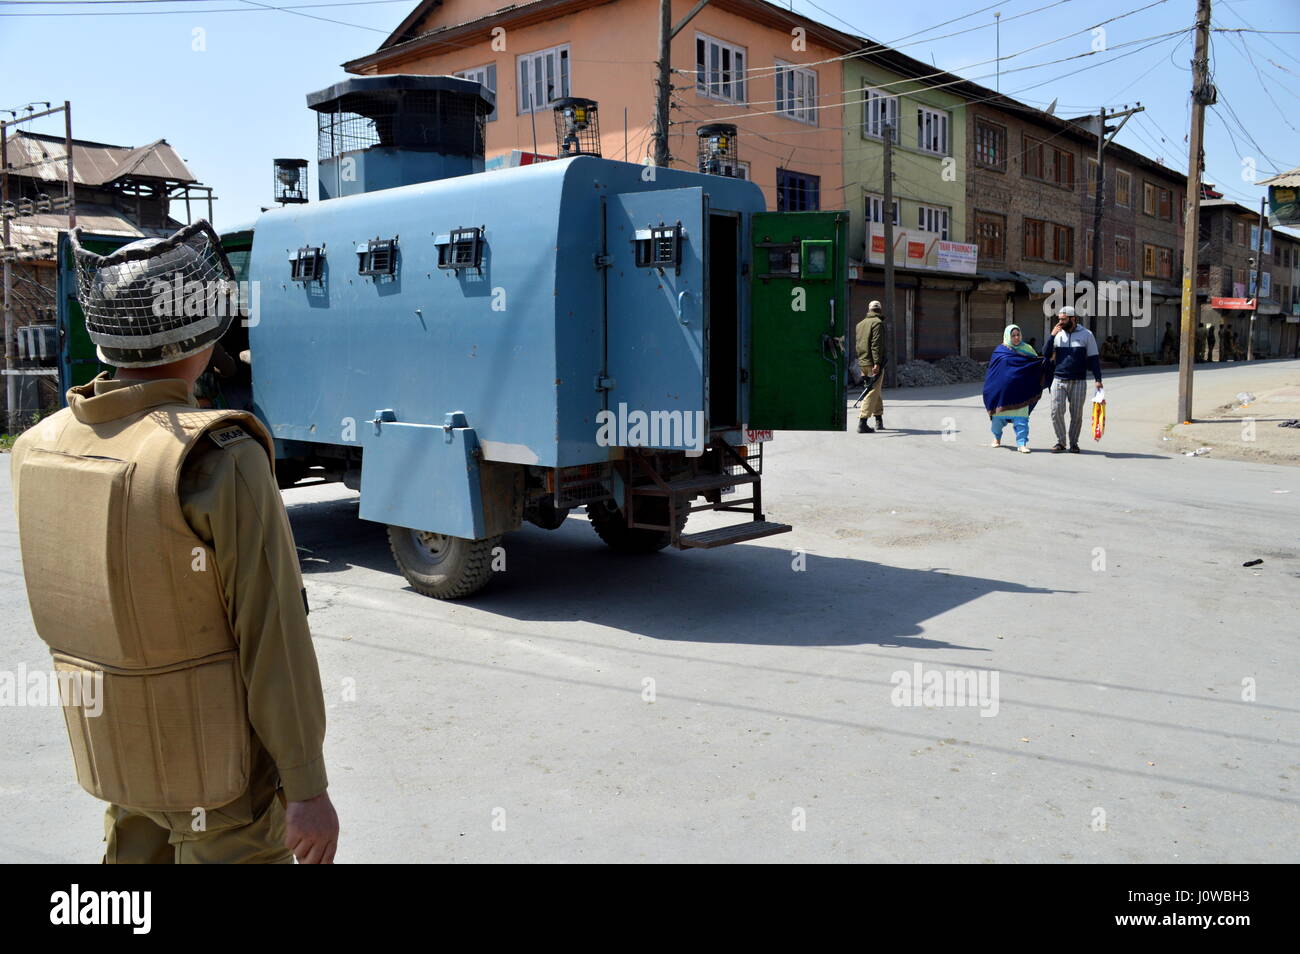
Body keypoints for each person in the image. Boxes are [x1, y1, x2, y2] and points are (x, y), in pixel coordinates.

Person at [9, 221, 338, 864]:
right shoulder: (219, 457)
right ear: (203, 336)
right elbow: (274, 633)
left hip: (118, 758)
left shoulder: (37, 446)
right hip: (221, 782)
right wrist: (307, 787)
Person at [1041, 305, 1103, 453]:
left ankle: (1074, 443)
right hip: (1059, 379)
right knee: (1056, 411)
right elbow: (1045, 353)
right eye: (1059, 319)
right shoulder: (1057, 334)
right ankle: (1061, 442)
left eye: (1063, 319)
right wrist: (1051, 336)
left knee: (1076, 414)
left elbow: (1094, 358)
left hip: (1079, 381)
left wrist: (1098, 379)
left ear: (1073, 319)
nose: (1060, 322)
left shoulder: (1087, 335)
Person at [983, 324, 1044, 454]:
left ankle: (1021, 444)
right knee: (997, 419)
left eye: (1018, 335)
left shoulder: (1027, 349)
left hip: (1021, 393)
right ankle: (997, 438)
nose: (1016, 338)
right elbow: (993, 373)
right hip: (1002, 395)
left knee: (1021, 420)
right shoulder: (1000, 350)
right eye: (1013, 335)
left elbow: (1035, 366)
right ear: (1007, 336)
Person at [855, 300, 887, 433]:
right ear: (879, 310)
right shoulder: (877, 323)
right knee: (872, 391)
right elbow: (876, 345)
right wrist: (877, 363)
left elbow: (859, 345)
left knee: (874, 389)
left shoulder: (860, 324)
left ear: (869, 310)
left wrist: (862, 362)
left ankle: (878, 420)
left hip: (863, 362)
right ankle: (863, 422)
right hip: (873, 363)